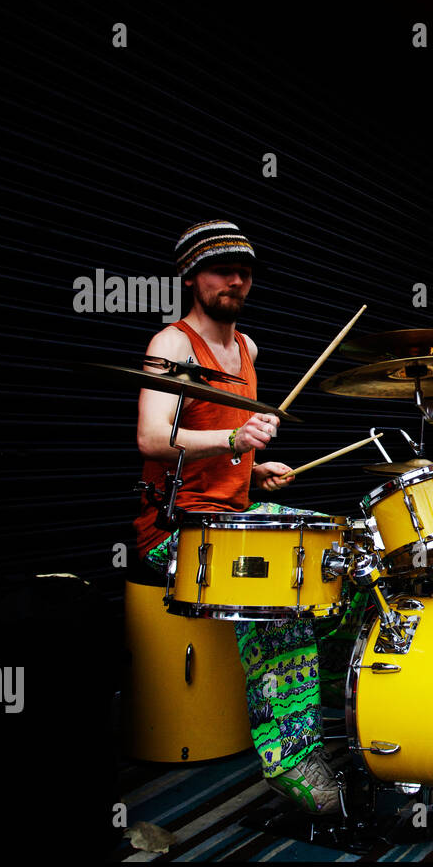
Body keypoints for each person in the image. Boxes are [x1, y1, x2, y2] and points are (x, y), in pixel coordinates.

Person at [135, 220, 346, 815]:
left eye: (244, 271)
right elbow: (154, 438)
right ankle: (292, 759)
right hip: (178, 530)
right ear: (191, 276)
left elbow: (223, 452)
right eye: (221, 269)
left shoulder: (247, 349)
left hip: (234, 515)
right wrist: (234, 436)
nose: (235, 280)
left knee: (335, 554)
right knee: (278, 590)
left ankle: (326, 697)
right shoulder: (172, 345)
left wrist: (254, 471)